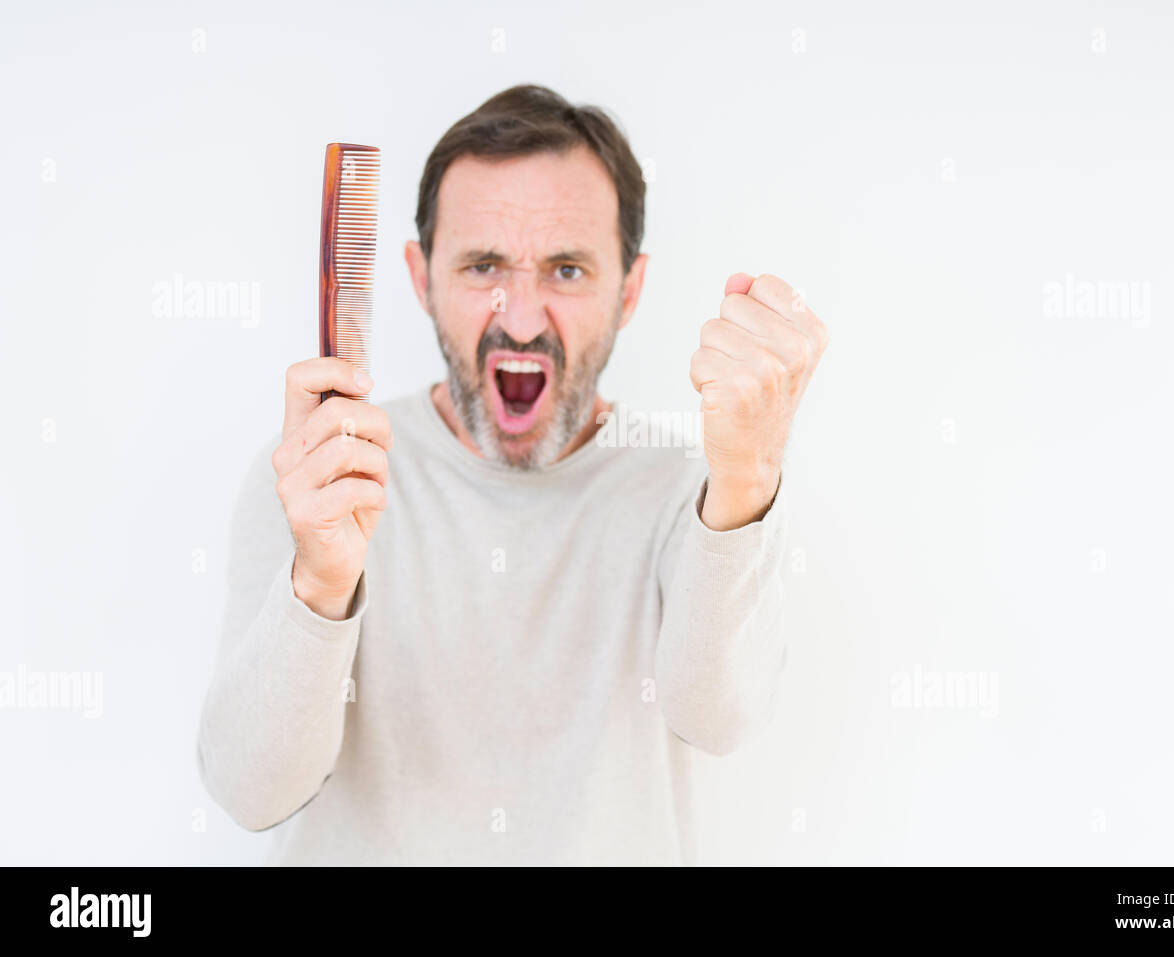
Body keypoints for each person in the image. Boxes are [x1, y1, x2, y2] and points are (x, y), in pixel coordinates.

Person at [197, 84, 828, 865]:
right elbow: (250, 791)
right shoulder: (317, 478)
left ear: (629, 290)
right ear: (421, 277)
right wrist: (321, 582)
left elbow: (720, 718)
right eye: (483, 265)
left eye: (567, 268)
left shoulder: (694, 490)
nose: (521, 318)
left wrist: (747, 476)